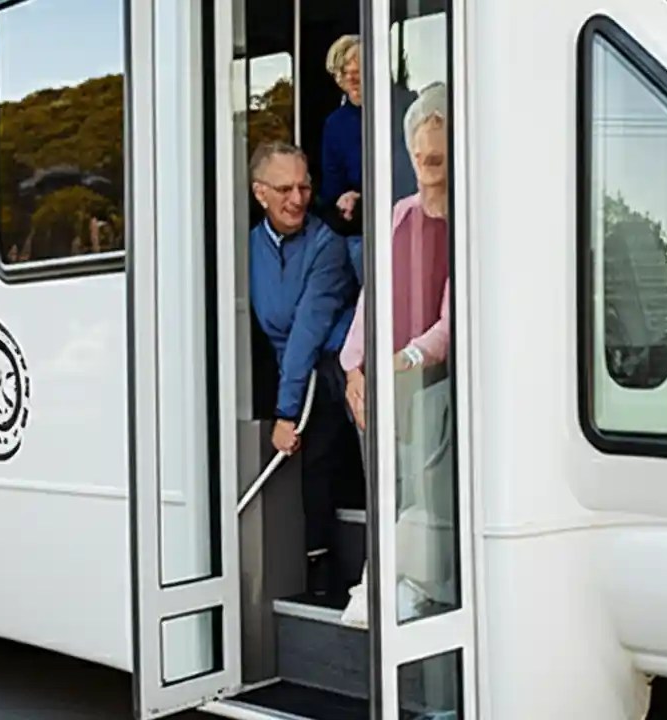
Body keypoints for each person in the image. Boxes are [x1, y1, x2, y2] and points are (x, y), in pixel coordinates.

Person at [337, 82, 453, 627]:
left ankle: (412, 586)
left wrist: (403, 362)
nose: (425, 165)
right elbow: (372, 298)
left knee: (423, 497)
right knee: (385, 489)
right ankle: (378, 580)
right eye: (418, 155)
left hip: (430, 383)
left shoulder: (465, 222)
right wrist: (354, 369)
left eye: (436, 157)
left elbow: (451, 324)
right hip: (386, 378)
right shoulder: (400, 214)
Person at [248, 140, 361, 595]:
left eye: (305, 187)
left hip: (332, 368)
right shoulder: (248, 247)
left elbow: (306, 332)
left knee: (318, 456)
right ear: (259, 193)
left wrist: (286, 412)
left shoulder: (326, 245)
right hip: (291, 370)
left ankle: (326, 572)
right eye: (284, 189)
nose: (297, 198)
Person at [320, 35, 363, 225]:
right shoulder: (335, 125)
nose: (351, 78)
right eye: (345, 72)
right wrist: (345, 200)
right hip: (357, 226)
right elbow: (332, 190)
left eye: (358, 70)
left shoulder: (402, 108)